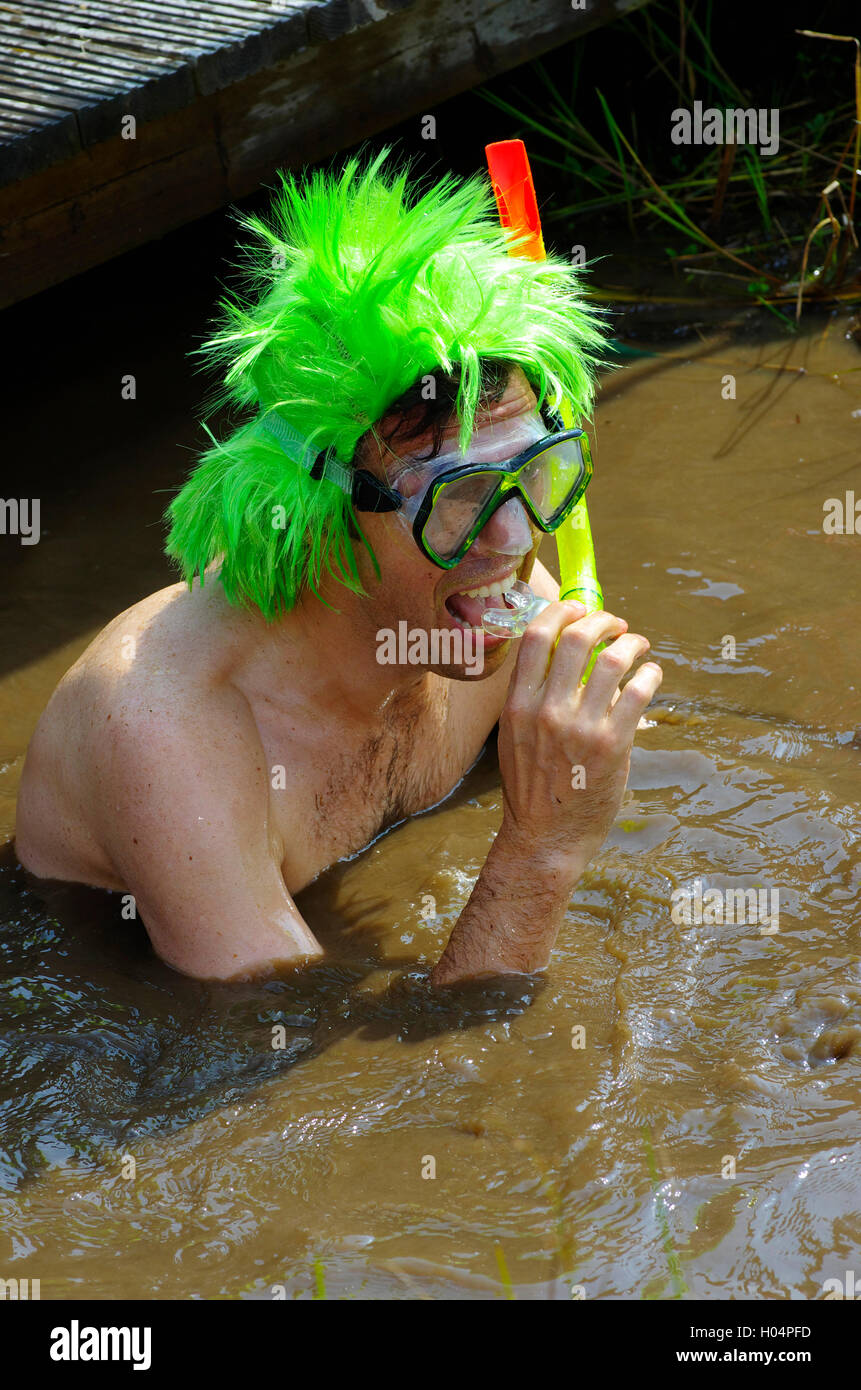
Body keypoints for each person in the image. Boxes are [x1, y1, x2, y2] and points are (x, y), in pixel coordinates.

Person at [15, 151, 662, 984]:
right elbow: (302, 1087)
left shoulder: (497, 610)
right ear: (323, 507)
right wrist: (541, 849)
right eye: (458, 498)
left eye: (536, 472)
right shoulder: (168, 732)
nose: (513, 541)